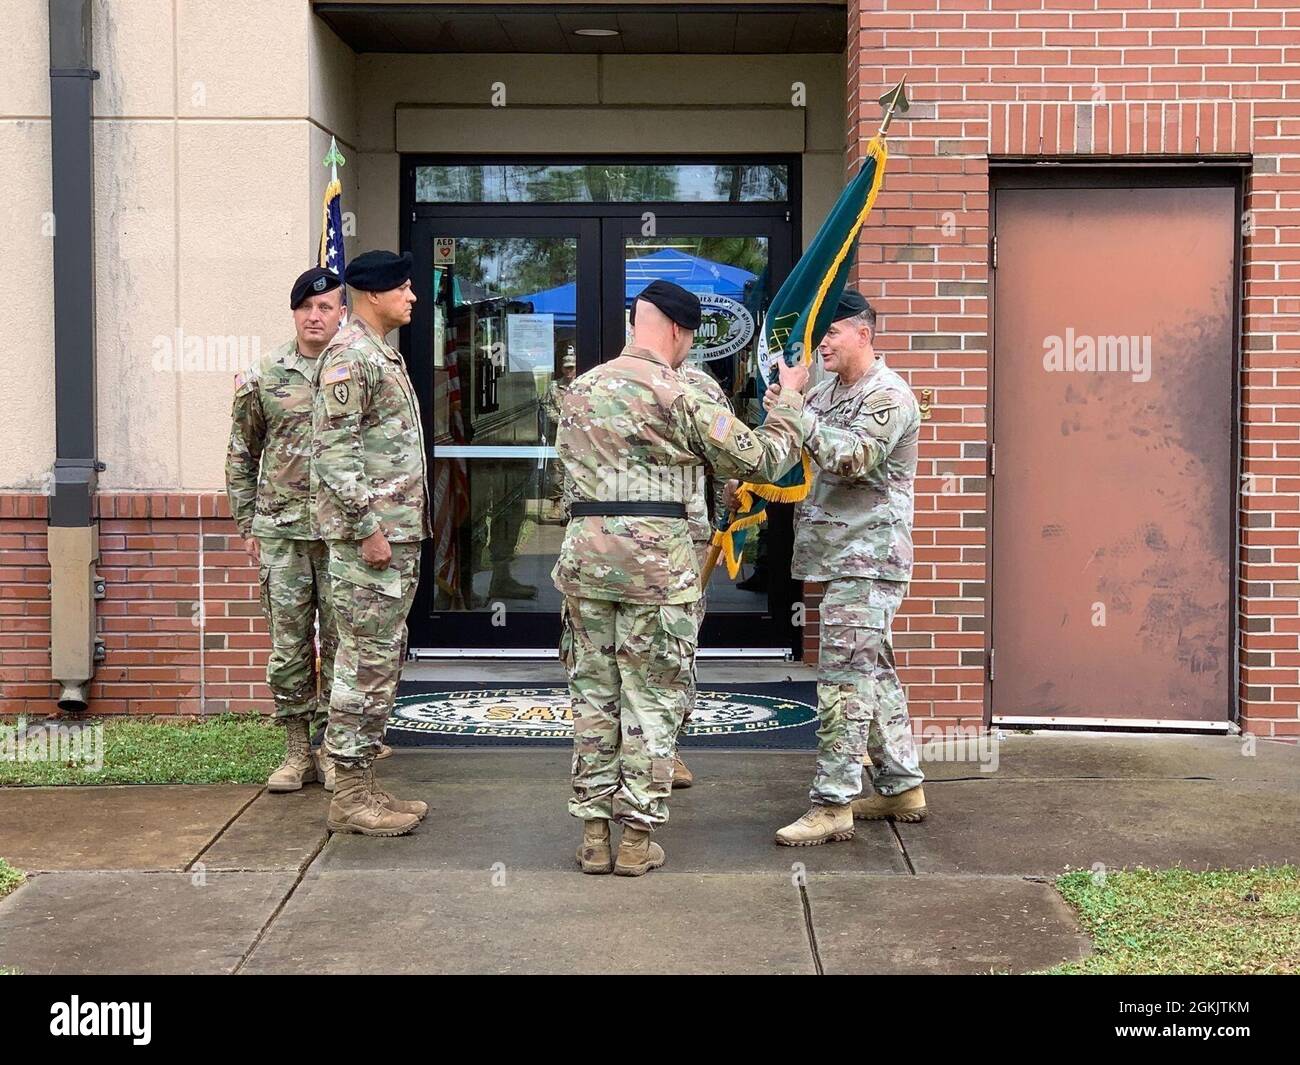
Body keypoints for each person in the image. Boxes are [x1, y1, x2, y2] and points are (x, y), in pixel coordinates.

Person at [554, 279, 812, 876]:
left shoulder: (580, 390)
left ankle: (594, 837)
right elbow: (763, 459)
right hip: (657, 567)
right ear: (678, 330)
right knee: (651, 699)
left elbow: (566, 481)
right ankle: (638, 840)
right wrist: (790, 402)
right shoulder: (678, 394)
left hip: (586, 560)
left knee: (593, 699)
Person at [742, 289, 925, 847]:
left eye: (832, 333)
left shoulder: (888, 396)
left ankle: (832, 804)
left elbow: (852, 459)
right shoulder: (826, 394)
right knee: (875, 674)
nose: (821, 343)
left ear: (864, 334)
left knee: (843, 682)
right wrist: (758, 456)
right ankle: (900, 785)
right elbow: (786, 455)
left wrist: (798, 414)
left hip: (869, 560)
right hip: (839, 558)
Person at [312, 250, 432, 836]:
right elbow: (334, 453)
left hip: (394, 535)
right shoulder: (350, 356)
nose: (412, 297)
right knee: (363, 664)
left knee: (379, 660)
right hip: (373, 542)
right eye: (404, 288)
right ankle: (349, 796)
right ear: (374, 294)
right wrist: (368, 528)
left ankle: (365, 788)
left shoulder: (380, 353)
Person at [226, 267, 345, 793]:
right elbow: (241, 452)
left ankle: (336, 752)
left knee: (345, 646)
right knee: (290, 646)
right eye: (306, 308)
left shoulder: (358, 370)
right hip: (284, 534)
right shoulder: (265, 374)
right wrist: (248, 520)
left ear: (342, 312)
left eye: (326, 307)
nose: (315, 316)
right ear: (295, 312)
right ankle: (297, 752)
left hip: (346, 534)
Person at [672, 357, 733, 789]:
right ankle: (618, 752)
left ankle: (667, 749)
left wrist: (725, 519)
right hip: (615, 542)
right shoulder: (607, 381)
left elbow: (725, 459)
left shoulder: (699, 385)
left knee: (677, 643)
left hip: (684, 535)